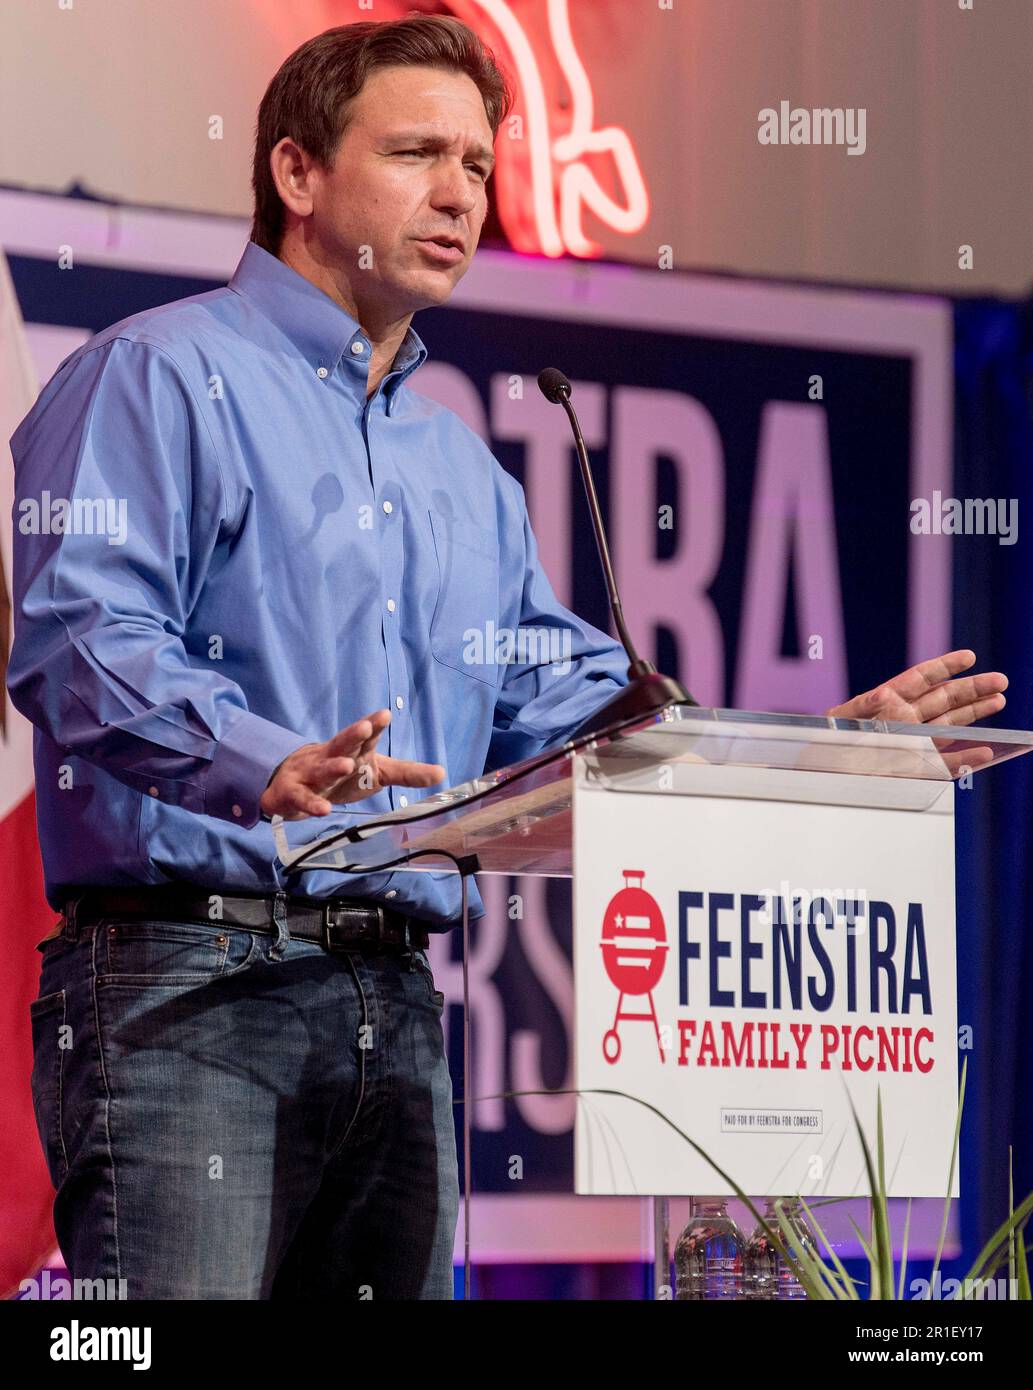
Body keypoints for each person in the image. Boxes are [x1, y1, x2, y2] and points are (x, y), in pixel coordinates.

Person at [7, 15, 1007, 1301]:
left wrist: (812, 745)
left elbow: (576, 706)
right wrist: (267, 763)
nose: (462, 194)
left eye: (479, 164)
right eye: (420, 152)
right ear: (297, 174)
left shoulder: (458, 469)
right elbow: (81, 634)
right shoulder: (152, 373)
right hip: (192, 992)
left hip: (396, 1000)